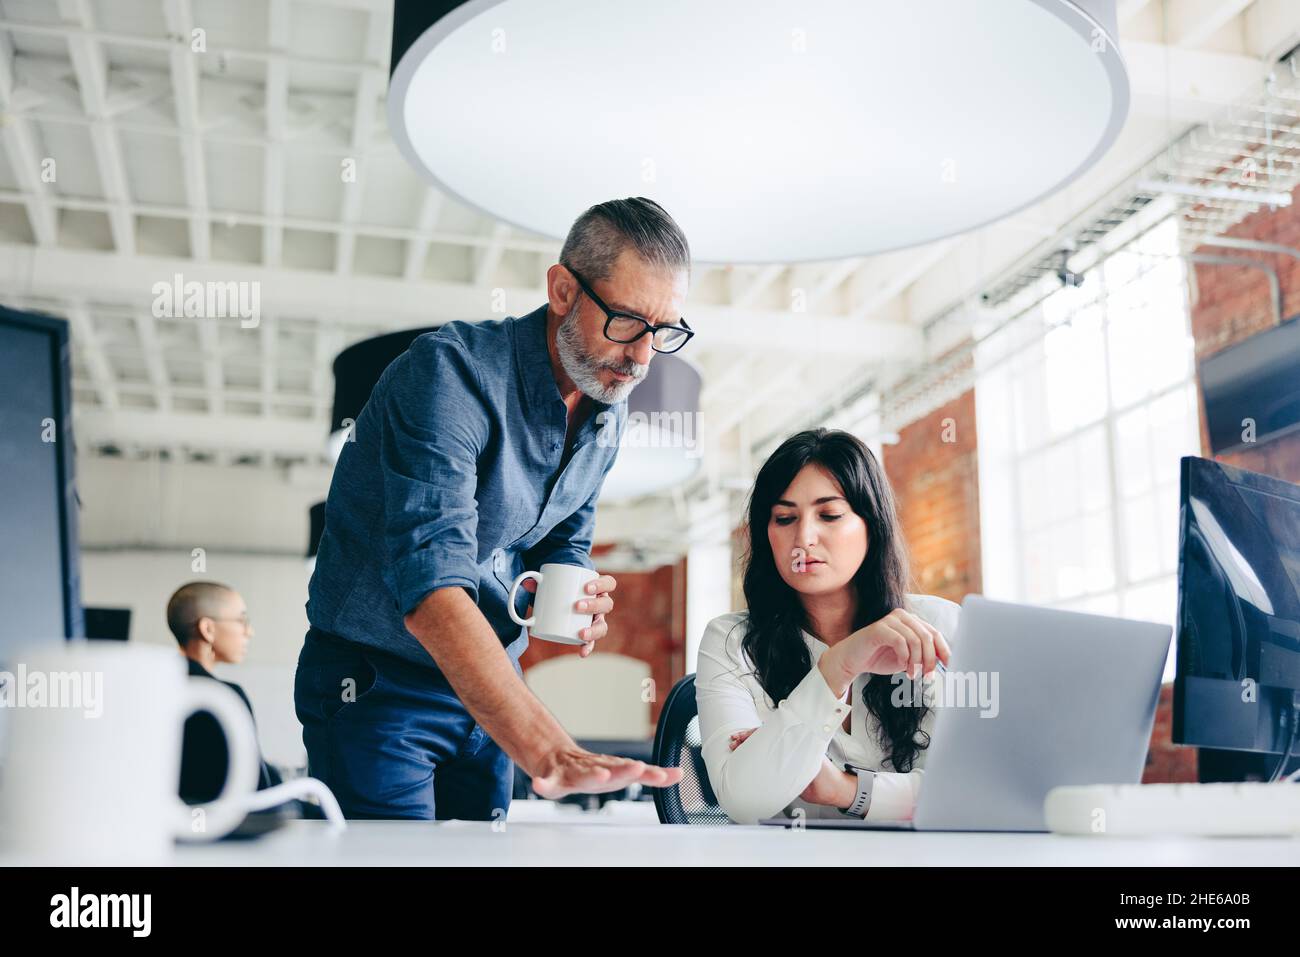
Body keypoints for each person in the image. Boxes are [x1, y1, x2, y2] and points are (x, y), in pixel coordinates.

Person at [297, 197, 689, 819]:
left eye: (664, 331)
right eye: (626, 322)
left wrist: (572, 595)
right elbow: (431, 585)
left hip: (487, 688)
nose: (643, 357)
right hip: (377, 685)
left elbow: (565, 541)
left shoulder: (605, 415)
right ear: (562, 289)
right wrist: (548, 749)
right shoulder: (447, 374)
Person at [695, 429, 959, 825]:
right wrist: (838, 665)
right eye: (784, 518)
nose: (803, 538)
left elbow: (974, 791)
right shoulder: (731, 642)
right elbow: (746, 800)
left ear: (871, 523)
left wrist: (842, 789)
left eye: (830, 515)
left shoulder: (939, 626)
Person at [168, 581, 282, 803]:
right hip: (226, 826)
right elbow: (256, 786)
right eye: (242, 621)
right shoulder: (224, 697)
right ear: (208, 629)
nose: (249, 632)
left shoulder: (156, 687)